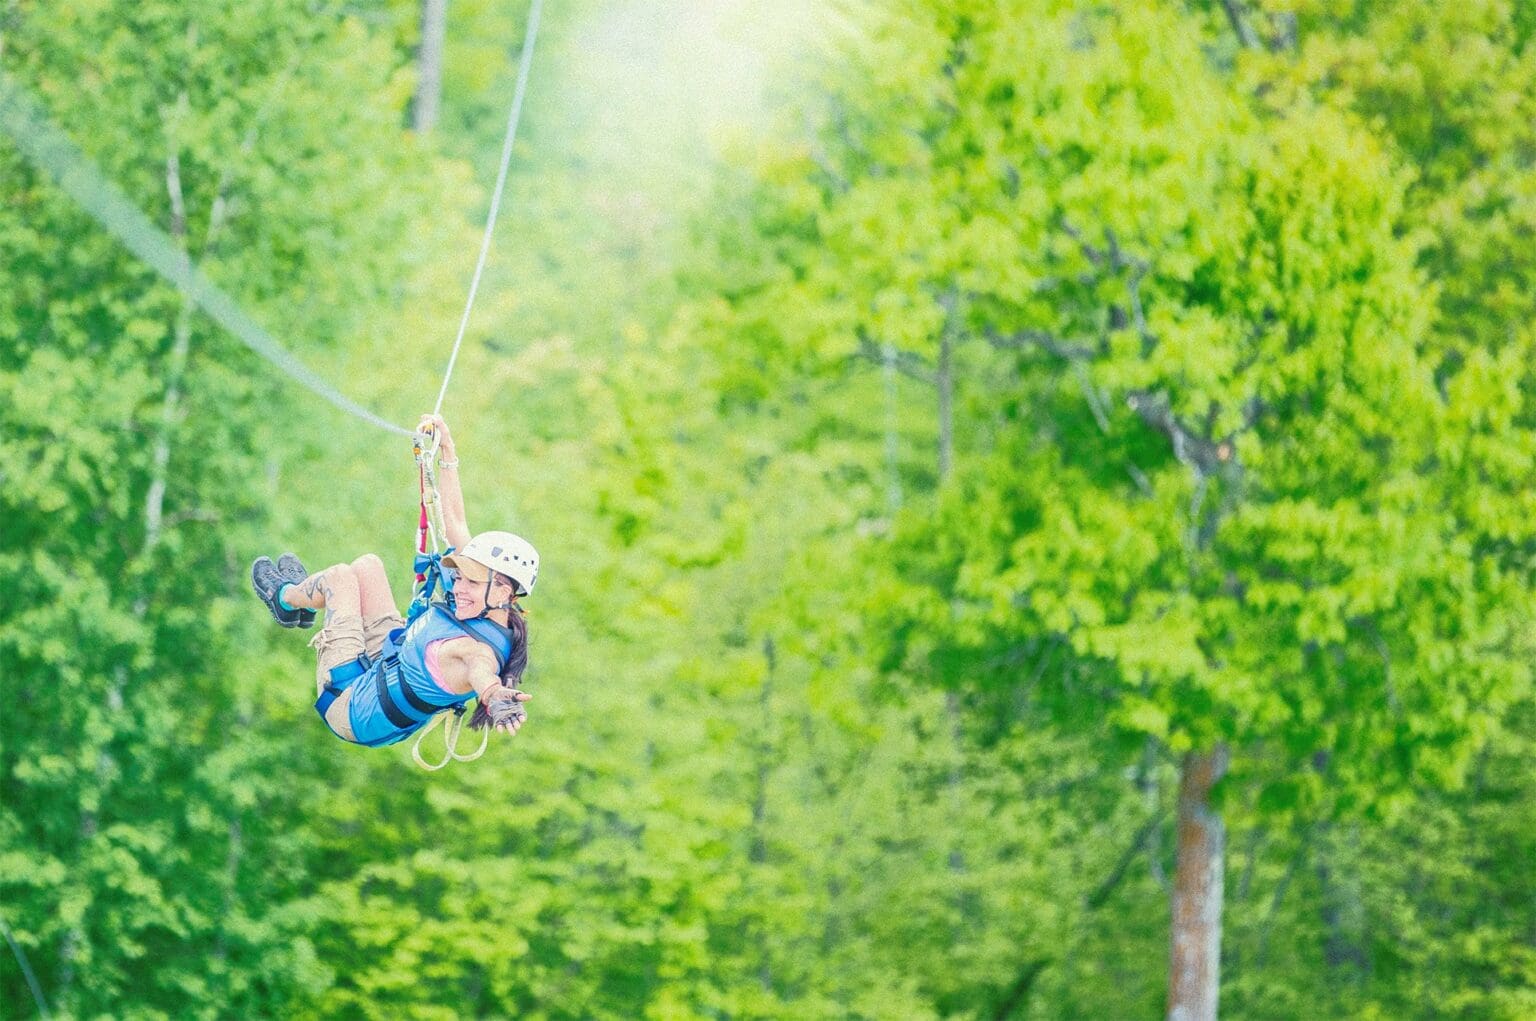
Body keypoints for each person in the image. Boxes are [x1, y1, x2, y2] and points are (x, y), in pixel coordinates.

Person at [250, 414, 535, 747]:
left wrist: (496, 695)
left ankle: (285, 598)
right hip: (387, 661)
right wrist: (447, 449)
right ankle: (304, 602)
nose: (457, 588)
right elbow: (454, 520)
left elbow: (483, 675)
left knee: (340, 578)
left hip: (353, 706)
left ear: (503, 591)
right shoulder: (489, 604)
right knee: (367, 566)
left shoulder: (478, 652)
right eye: (458, 577)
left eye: (469, 583)